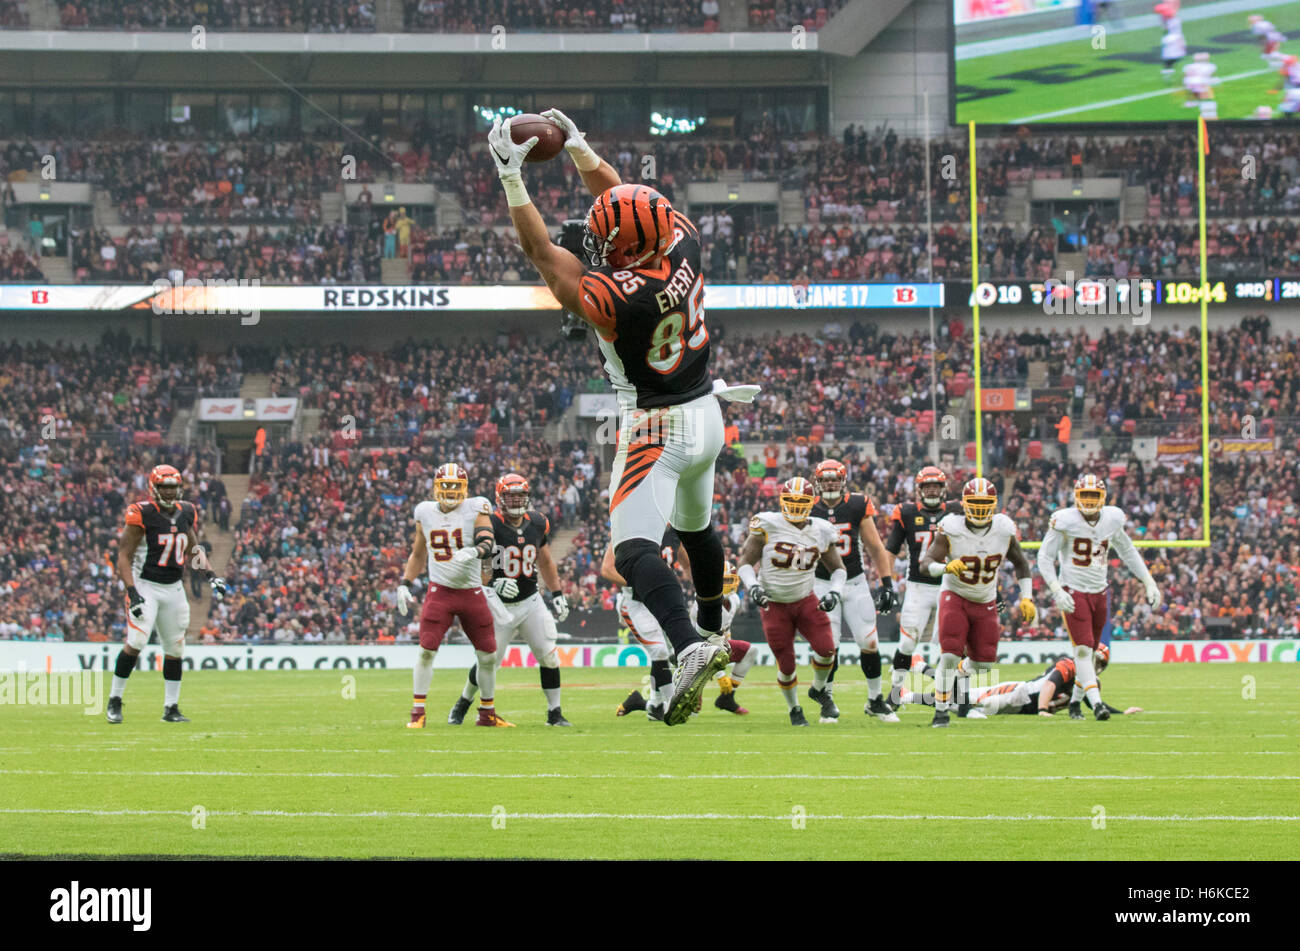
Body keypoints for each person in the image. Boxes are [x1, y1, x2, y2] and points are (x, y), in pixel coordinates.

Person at [488, 107, 758, 725]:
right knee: (697, 529)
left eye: (601, 233)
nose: (592, 231)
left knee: (632, 549)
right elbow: (623, 199)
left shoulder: (614, 298)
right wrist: (581, 146)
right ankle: (714, 627)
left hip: (655, 423)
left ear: (618, 249)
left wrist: (511, 174)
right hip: (707, 413)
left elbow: (539, 251)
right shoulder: (683, 236)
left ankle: (689, 646)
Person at [447, 473, 572, 727]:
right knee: (488, 660)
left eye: (520, 496)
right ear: (499, 498)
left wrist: (557, 593)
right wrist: (492, 583)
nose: (516, 501)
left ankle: (554, 713)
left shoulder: (538, 522)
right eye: (510, 496)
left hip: (530, 601)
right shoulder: (489, 523)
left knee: (549, 655)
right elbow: (476, 563)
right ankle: (463, 701)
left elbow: (545, 560)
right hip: (497, 603)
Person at [107, 465, 227, 724]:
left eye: (173, 487)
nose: (170, 492)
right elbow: (123, 556)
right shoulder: (142, 514)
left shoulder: (186, 511)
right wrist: (132, 591)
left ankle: (171, 707)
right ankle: (115, 700)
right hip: (146, 586)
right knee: (137, 642)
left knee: (175, 647)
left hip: (174, 588)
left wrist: (211, 575)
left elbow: (193, 549)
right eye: (164, 487)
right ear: (154, 487)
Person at [397, 463, 512, 728]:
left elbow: (487, 539)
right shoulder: (425, 512)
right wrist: (405, 582)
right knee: (426, 651)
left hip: (471, 591)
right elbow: (418, 553)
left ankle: (487, 713)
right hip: (440, 591)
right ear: (436, 488)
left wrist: (475, 551)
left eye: (455, 486)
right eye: (445, 486)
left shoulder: (476, 507)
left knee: (488, 656)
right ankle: (418, 713)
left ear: (465, 489)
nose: (450, 492)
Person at [1037, 473, 1160, 721]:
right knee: (1082, 651)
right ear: (1076, 497)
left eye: (1094, 496)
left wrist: (1148, 580)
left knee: (1090, 654)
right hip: (1074, 590)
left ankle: (1074, 704)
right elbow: (1044, 557)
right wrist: (1056, 589)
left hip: (1100, 591)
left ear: (1103, 497)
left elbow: (1127, 550)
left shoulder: (1112, 519)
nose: (1090, 501)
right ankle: (1097, 705)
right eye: (1085, 495)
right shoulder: (1065, 520)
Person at [918, 478, 1035, 728]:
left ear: (994, 505)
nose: (980, 508)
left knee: (983, 664)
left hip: (985, 599)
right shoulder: (950, 527)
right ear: (963, 504)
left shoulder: (1003, 529)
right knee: (948, 654)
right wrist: (946, 567)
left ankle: (957, 672)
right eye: (975, 503)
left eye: (985, 503)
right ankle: (940, 712)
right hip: (955, 595)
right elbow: (926, 564)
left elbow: (1021, 563)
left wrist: (1027, 597)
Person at [737, 477, 847, 727]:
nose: (796, 506)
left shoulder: (820, 529)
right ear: (781, 501)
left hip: (805, 599)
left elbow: (838, 569)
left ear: (812, 503)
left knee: (827, 649)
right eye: (791, 501)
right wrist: (753, 587)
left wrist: (835, 592)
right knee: (786, 665)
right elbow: (745, 563)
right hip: (773, 604)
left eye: (801, 502)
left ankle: (818, 690)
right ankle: (794, 709)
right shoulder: (768, 524)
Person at [809, 458, 899, 721]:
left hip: (855, 581)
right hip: (821, 583)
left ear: (843, 481)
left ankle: (875, 700)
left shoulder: (857, 504)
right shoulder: (808, 508)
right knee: (828, 647)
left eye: (834, 479)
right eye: (825, 480)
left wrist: (887, 583)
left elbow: (875, 547)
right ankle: (827, 699)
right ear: (818, 482)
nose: (830, 484)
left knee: (869, 642)